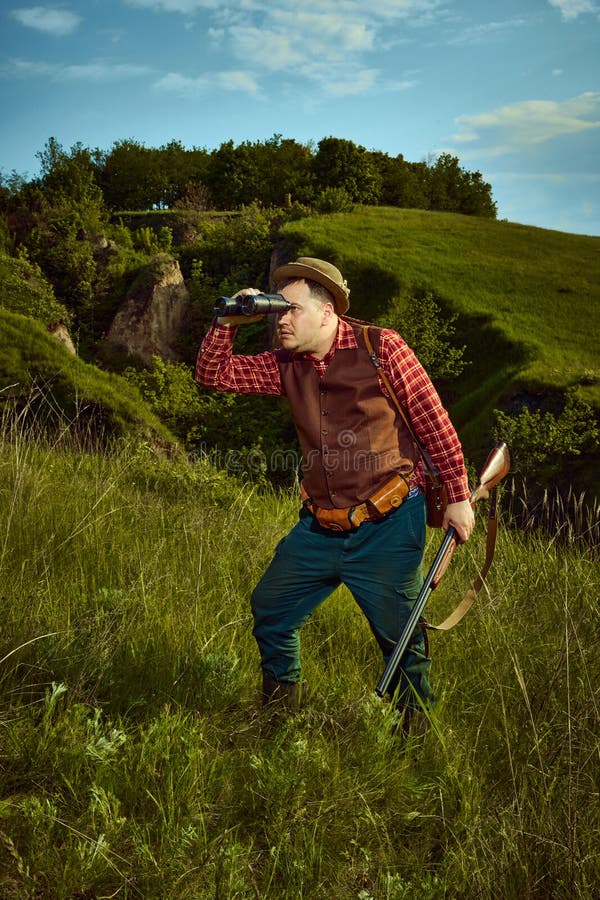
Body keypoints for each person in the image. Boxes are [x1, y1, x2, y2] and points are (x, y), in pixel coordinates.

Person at [195, 257, 474, 727]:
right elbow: (213, 375)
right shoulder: (285, 365)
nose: (281, 321)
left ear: (327, 313)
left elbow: (433, 422)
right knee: (272, 609)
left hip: (389, 523)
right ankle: (278, 719)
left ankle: (415, 736)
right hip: (320, 526)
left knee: (400, 639)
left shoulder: (382, 348)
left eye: (292, 310)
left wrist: (459, 497)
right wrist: (227, 322)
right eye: (276, 310)